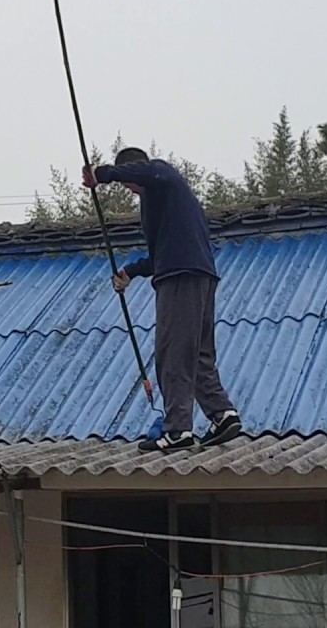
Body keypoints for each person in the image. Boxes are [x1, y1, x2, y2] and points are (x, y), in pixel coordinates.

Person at [83, 147, 241, 452]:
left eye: (127, 180)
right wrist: (130, 271)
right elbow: (160, 256)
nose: (128, 188)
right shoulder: (162, 203)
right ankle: (222, 414)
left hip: (181, 277)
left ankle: (178, 430)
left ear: (134, 169)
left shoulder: (163, 175)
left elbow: (149, 171)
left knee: (172, 352)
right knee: (196, 353)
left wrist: (104, 175)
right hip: (198, 274)